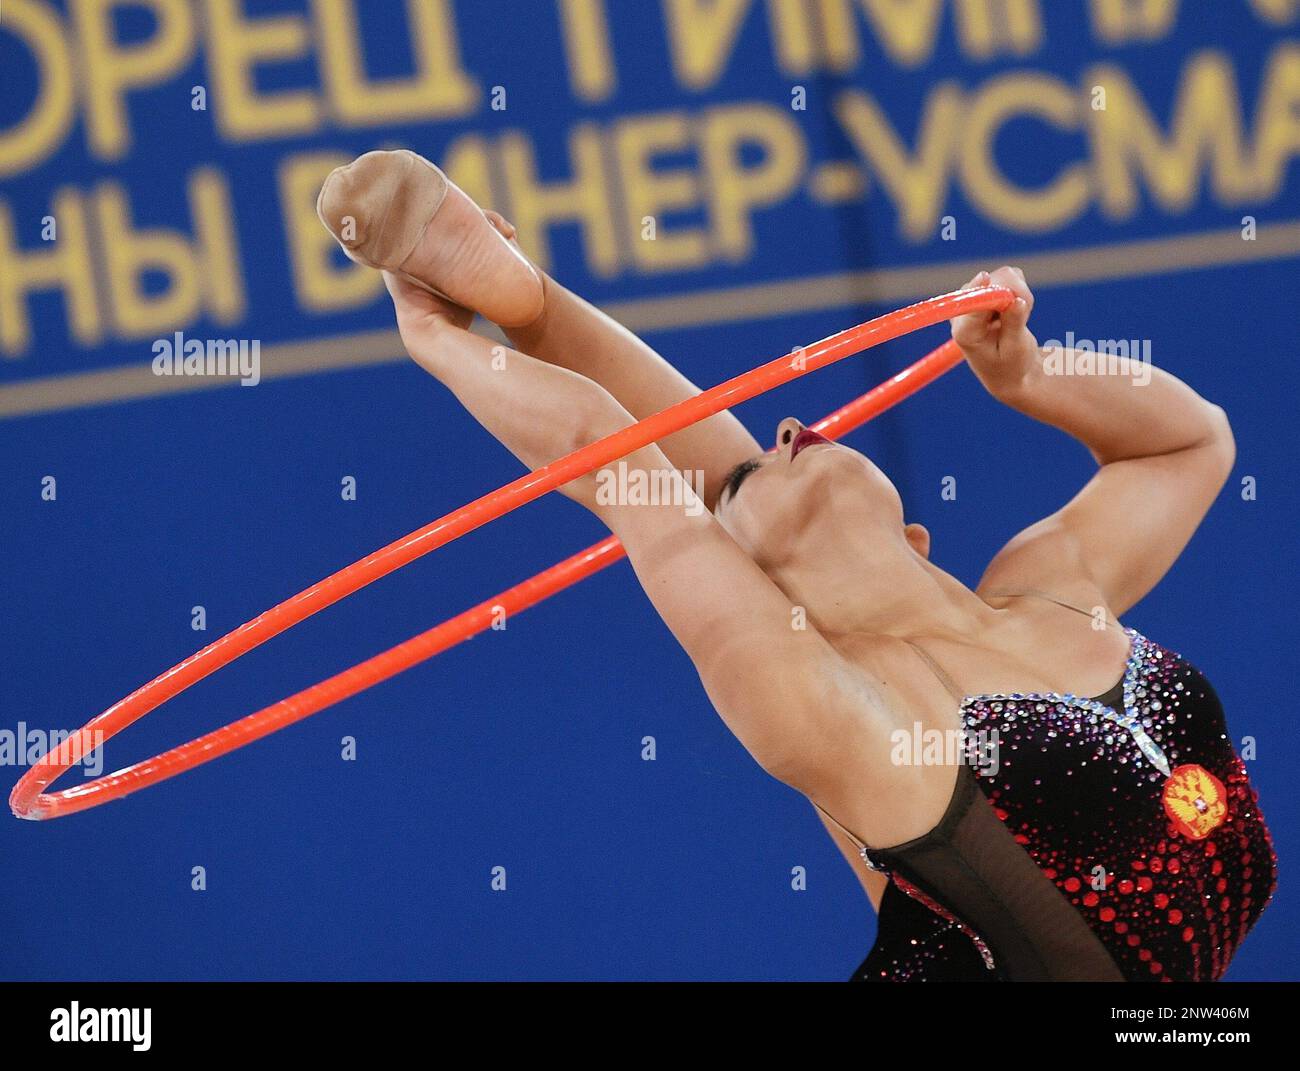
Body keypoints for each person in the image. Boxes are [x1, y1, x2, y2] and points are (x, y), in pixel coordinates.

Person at [317, 150, 1275, 981]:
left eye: (765, 453)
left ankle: (524, 293)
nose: (781, 429)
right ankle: (511, 293)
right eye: (733, 503)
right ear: (751, 587)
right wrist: (435, 341)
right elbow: (613, 458)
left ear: (917, 539)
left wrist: (1023, 373)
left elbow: (1193, 443)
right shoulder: (828, 709)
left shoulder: (1046, 584)